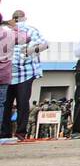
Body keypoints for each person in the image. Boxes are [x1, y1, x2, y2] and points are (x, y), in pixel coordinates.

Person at [2, 10, 47, 141]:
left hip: (25, 73)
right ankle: (4, 132)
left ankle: (21, 133)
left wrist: (30, 51)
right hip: (8, 73)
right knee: (6, 104)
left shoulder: (31, 31)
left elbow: (44, 44)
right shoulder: (6, 31)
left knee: (22, 102)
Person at [0, 15, 14, 136]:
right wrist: (14, 26)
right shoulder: (10, 34)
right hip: (4, 73)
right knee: (1, 103)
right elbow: (26, 38)